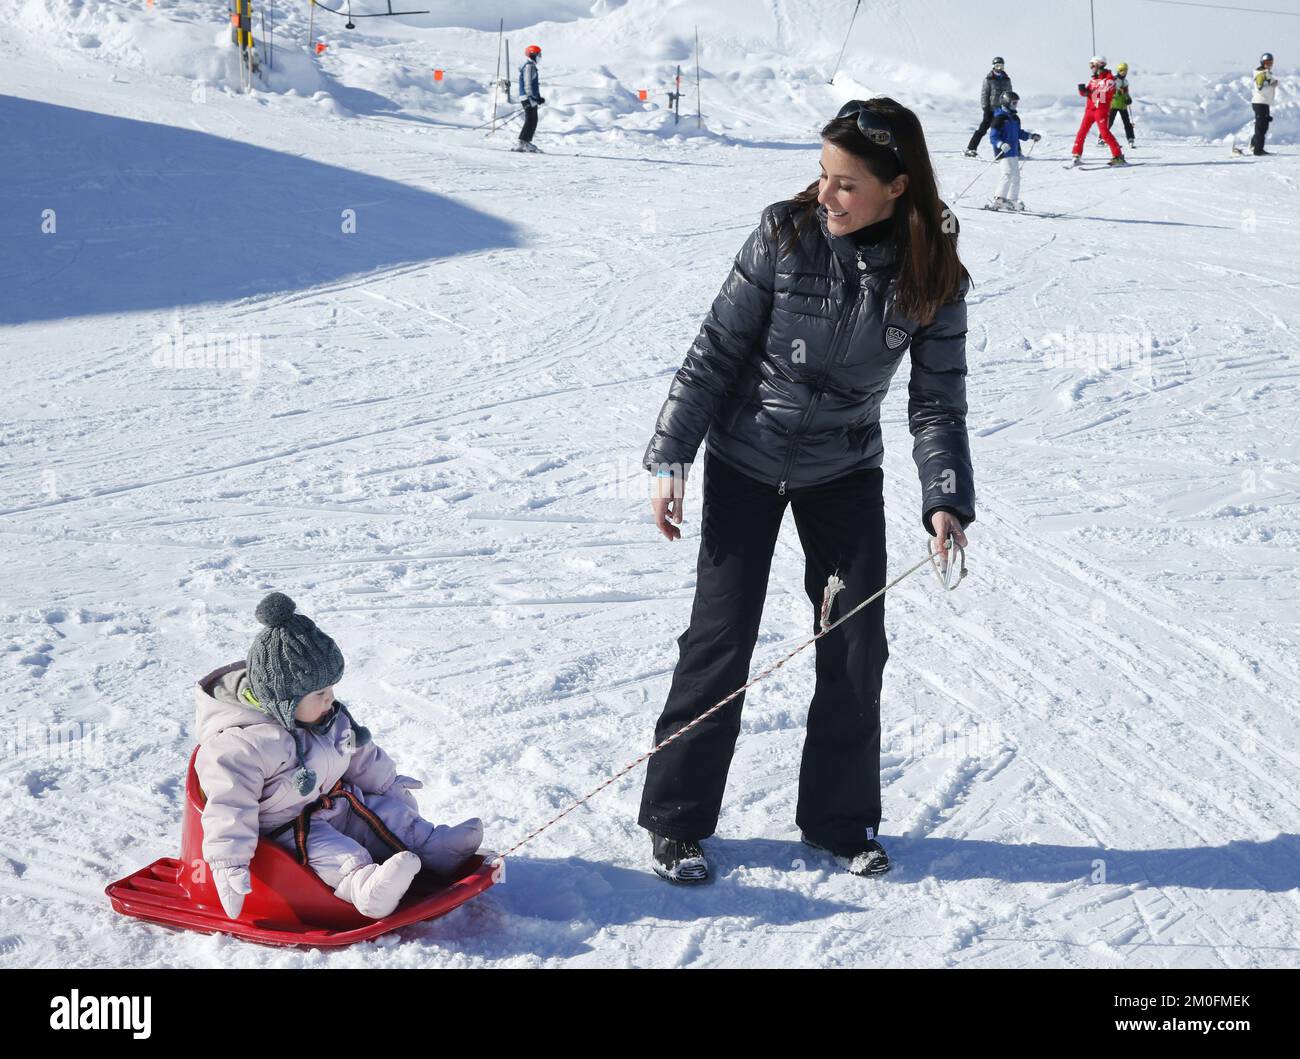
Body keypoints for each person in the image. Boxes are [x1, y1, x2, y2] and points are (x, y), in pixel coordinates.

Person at [638, 97, 976, 883]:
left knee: (857, 646)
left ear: (898, 187)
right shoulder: (783, 234)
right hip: (747, 459)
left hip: (843, 469)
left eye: (846, 184)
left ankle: (837, 820)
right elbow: (716, 350)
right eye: (822, 175)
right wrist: (671, 456)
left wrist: (945, 496)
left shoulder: (934, 275)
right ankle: (678, 821)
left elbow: (937, 401)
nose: (824, 195)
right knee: (721, 639)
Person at [195, 592, 484, 920]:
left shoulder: (326, 717)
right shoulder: (241, 745)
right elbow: (229, 807)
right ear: (285, 700)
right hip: (286, 830)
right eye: (320, 693)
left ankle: (434, 847)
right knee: (336, 853)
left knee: (383, 813)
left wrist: (388, 783)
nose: (330, 700)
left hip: (336, 802)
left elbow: (359, 754)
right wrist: (229, 864)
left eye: (331, 690)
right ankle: (366, 888)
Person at [987, 91, 1041, 210]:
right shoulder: (999, 118)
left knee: (1016, 176)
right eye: (1013, 103)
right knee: (1007, 173)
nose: (1015, 105)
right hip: (1003, 152)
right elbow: (993, 137)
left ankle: (1012, 200)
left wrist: (1031, 136)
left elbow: (1018, 133)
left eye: (1016, 103)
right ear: (1006, 103)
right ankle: (999, 199)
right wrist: (1000, 144)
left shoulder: (1015, 118)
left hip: (1013, 152)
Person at [1071, 56, 1126, 166]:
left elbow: (1105, 93)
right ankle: (1076, 154)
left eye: (1093, 65)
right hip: (1089, 110)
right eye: (1090, 65)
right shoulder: (1094, 79)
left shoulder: (1109, 79)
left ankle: (1118, 156)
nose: (1091, 67)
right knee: (1081, 132)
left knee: (1104, 133)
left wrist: (1091, 91)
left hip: (1101, 109)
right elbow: (1088, 92)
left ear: (1100, 64)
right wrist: (1083, 91)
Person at [964, 56, 1013, 157]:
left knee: (1007, 130)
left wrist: (1009, 106)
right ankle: (971, 149)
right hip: (990, 109)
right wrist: (985, 107)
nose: (999, 68)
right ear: (993, 66)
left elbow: (1010, 94)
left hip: (1002, 110)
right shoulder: (988, 79)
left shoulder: (1007, 79)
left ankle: (1006, 152)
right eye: (997, 66)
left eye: (1001, 66)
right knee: (983, 129)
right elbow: (984, 94)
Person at [514, 44, 546, 154]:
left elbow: (533, 85)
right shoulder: (529, 67)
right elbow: (528, 85)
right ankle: (523, 142)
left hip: (530, 97)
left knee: (532, 119)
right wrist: (533, 98)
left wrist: (538, 97)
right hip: (527, 97)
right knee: (530, 119)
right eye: (538, 55)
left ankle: (525, 142)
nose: (540, 57)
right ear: (532, 55)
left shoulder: (531, 66)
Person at [1252, 52, 1278, 156]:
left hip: (1264, 103)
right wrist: (1272, 85)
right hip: (1260, 102)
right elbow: (1259, 88)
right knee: (1261, 126)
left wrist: (1272, 84)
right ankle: (1258, 150)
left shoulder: (1266, 73)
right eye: (1267, 62)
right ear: (1262, 62)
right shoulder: (1261, 74)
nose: (1269, 64)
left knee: (1264, 126)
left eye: (1271, 62)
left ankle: (1254, 144)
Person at [1107, 61, 1136, 149]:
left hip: (1123, 105)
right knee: (1109, 122)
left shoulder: (1126, 81)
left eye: (1125, 70)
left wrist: (1128, 98)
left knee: (1127, 123)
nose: (1123, 72)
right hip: (1113, 104)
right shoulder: (1114, 80)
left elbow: (1126, 92)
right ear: (1118, 70)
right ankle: (1102, 138)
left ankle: (1130, 139)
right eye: (1121, 70)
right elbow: (1110, 91)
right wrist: (1119, 92)